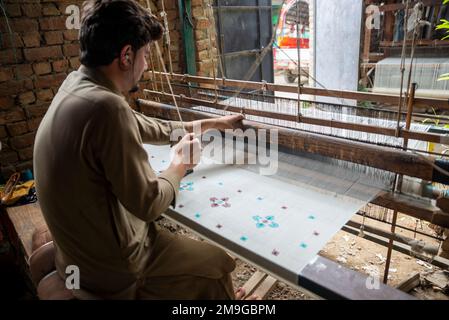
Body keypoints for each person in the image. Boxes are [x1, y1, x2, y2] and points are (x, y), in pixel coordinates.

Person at [33, 0, 253, 300]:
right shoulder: (107, 108)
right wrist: (179, 165)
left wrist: (218, 122)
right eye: (146, 54)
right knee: (217, 263)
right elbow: (149, 204)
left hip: (76, 258)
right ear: (126, 55)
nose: (147, 65)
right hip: (111, 271)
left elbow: (154, 128)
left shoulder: (78, 85)